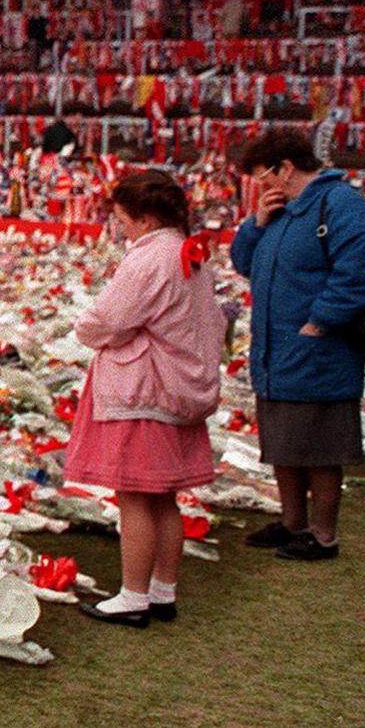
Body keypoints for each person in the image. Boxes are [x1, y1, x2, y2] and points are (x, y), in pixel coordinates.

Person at [65, 170, 225, 626]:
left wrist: (84, 329)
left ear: (146, 218)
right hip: (179, 387)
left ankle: (133, 596)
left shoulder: (148, 258)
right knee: (164, 497)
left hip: (144, 389)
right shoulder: (190, 254)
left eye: (125, 220)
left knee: (134, 495)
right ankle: (162, 590)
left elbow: (110, 319)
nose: (123, 230)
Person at [230, 131, 365, 562]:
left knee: (319, 447)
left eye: (263, 178)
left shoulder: (340, 204)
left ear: (285, 168)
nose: (260, 188)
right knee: (284, 442)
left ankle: (322, 534)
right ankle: (292, 523)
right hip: (276, 347)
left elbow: (361, 270)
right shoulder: (282, 211)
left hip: (318, 348)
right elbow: (243, 262)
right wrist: (255, 223)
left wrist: (321, 322)